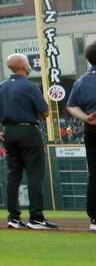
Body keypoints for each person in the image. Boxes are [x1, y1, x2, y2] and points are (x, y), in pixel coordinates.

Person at [0, 53, 56, 229]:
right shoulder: (30, 86)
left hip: (8, 131)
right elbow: (45, 112)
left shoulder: (1, 86)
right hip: (28, 130)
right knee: (34, 174)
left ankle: (13, 218)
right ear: (24, 66)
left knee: (13, 175)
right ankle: (36, 218)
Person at [64, 41, 96, 232]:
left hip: (92, 127)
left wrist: (86, 117)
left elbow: (71, 105)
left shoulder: (81, 81)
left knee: (94, 174)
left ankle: (94, 218)